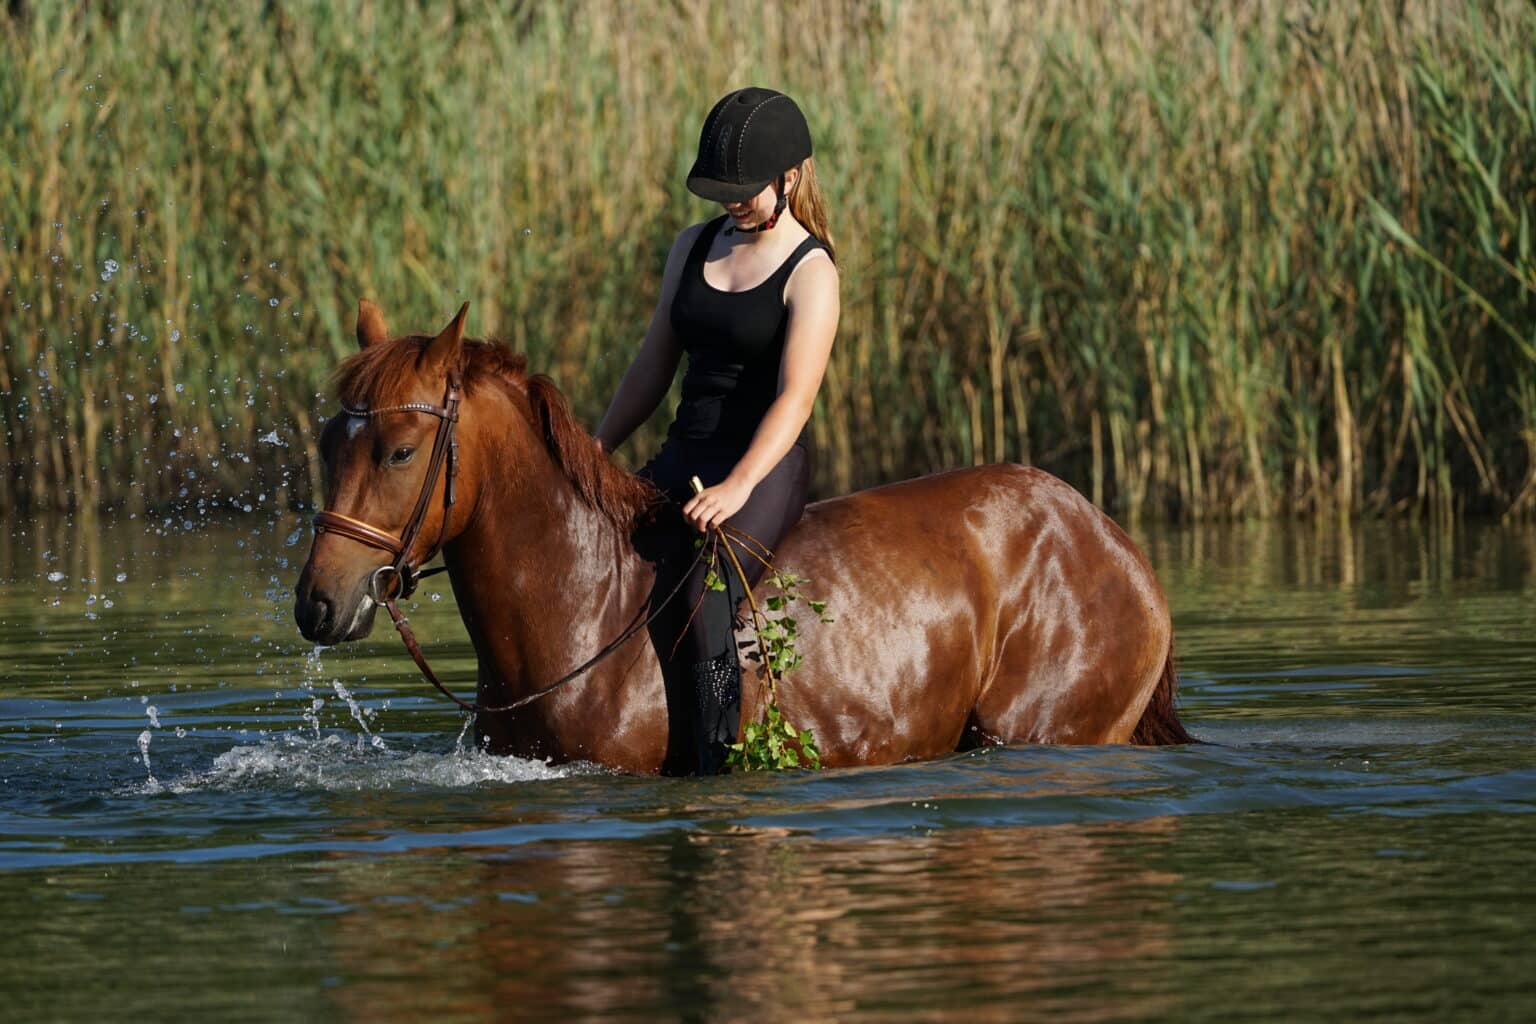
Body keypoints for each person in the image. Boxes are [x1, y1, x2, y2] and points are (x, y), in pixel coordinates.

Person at [594, 86, 840, 774]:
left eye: (744, 191)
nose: (731, 204)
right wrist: (597, 448)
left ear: (789, 179)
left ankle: (721, 761)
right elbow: (652, 365)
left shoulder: (811, 271)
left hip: (764, 465)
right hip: (685, 452)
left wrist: (737, 486)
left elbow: (795, 399)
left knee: (707, 591)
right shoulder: (692, 246)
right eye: (721, 191)